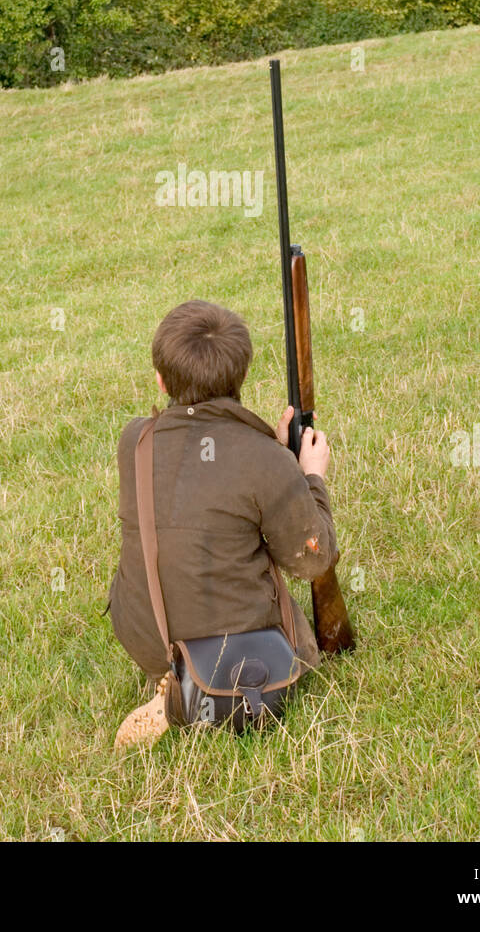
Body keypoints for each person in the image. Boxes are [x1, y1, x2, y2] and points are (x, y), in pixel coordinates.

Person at [107, 299, 337, 748]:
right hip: (237, 656)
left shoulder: (134, 440)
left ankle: (169, 679)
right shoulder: (263, 459)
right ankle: (191, 699)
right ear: (243, 375)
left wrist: (268, 456)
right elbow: (314, 558)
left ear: (159, 378)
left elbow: (204, 476)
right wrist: (307, 474)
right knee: (295, 648)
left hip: (147, 637)